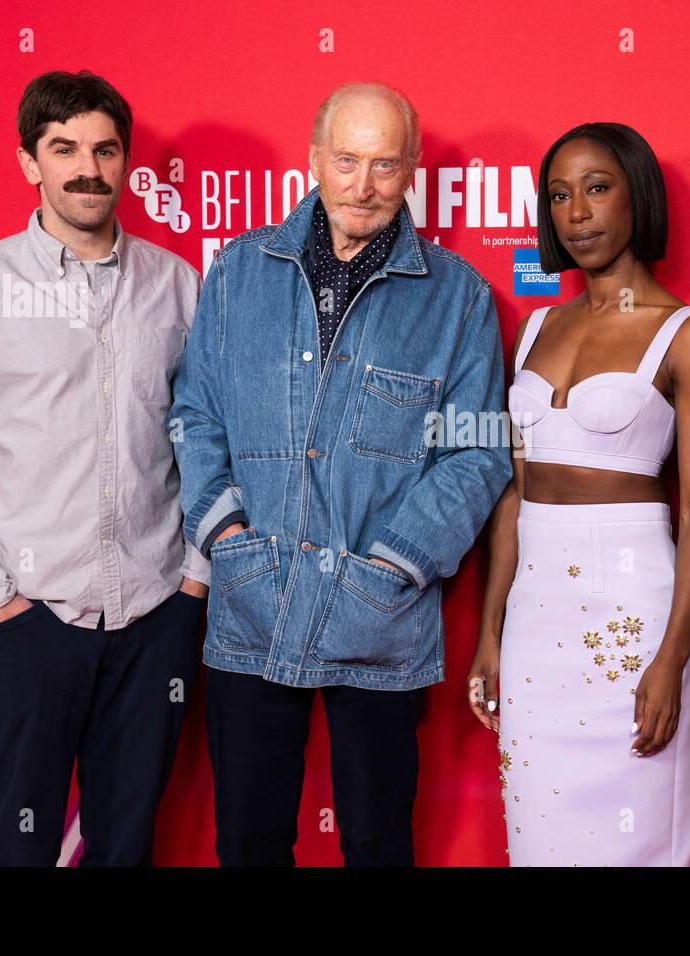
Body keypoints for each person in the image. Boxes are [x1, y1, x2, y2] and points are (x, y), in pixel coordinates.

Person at [170, 81, 510, 867]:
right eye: (348, 160)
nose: (364, 184)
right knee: (249, 841)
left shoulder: (458, 297)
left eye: (385, 164)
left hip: (379, 613)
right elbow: (196, 413)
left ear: (413, 170)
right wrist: (224, 531)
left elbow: (480, 448)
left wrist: (398, 561)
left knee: (375, 841)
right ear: (316, 157)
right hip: (255, 601)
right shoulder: (240, 271)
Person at [0, 70, 209, 866]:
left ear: (126, 161)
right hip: (26, 621)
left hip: (153, 618)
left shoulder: (178, 287)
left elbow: (212, 438)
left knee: (127, 848)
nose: (88, 168)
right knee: (18, 848)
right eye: (64, 148)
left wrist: (194, 581)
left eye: (105, 149)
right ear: (29, 163)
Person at [467, 123, 690, 866]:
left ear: (637, 195)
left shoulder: (688, 336)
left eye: (598, 187)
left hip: (632, 616)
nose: (577, 211)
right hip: (534, 625)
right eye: (558, 194)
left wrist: (671, 659)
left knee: (639, 837)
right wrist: (490, 629)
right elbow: (516, 496)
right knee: (538, 837)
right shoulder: (535, 327)